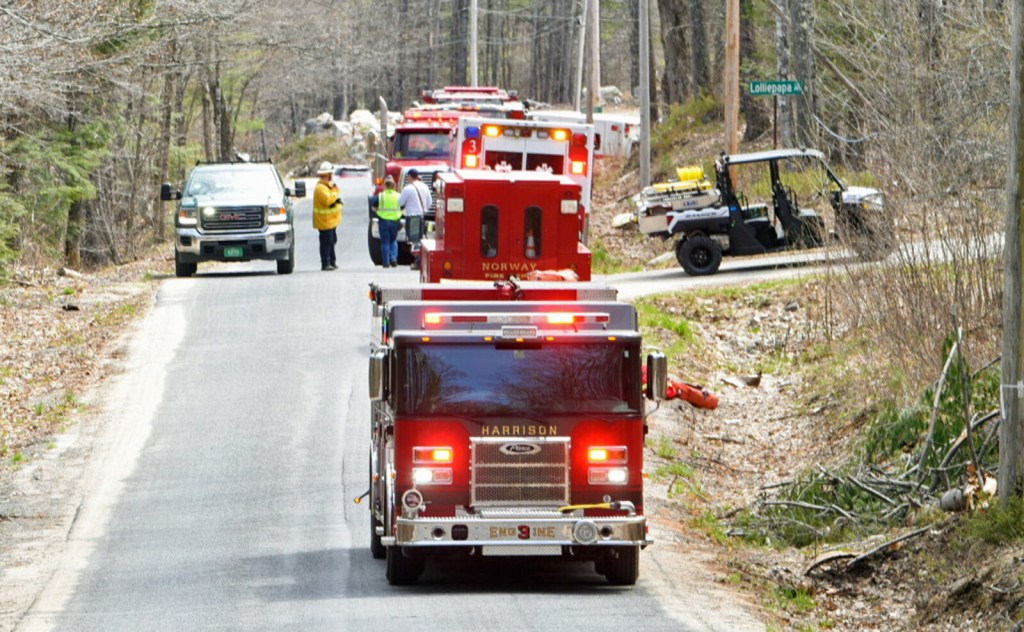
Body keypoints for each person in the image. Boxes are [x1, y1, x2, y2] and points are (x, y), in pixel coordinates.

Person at [398, 168, 431, 269]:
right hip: (422, 216)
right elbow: (429, 202)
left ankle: (418, 262)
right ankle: (420, 261)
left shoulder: (408, 188)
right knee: (420, 239)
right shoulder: (425, 187)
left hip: (412, 216)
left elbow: (400, 203)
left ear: (410, 176)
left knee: (414, 240)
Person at [313, 161, 342, 271]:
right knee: (326, 242)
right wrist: (335, 193)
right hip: (324, 221)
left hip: (330, 221)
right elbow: (329, 201)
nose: (332, 176)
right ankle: (326, 262)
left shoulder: (327, 186)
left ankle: (332, 261)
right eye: (331, 174)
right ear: (328, 174)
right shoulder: (321, 188)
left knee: (332, 240)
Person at [373, 176, 403, 267]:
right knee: (393, 241)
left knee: (385, 242)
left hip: (384, 221)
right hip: (395, 221)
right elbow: (402, 207)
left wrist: (378, 211)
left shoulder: (381, 196)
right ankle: (393, 258)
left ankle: (386, 262)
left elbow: (373, 206)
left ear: (385, 185)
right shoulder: (398, 196)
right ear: (394, 186)